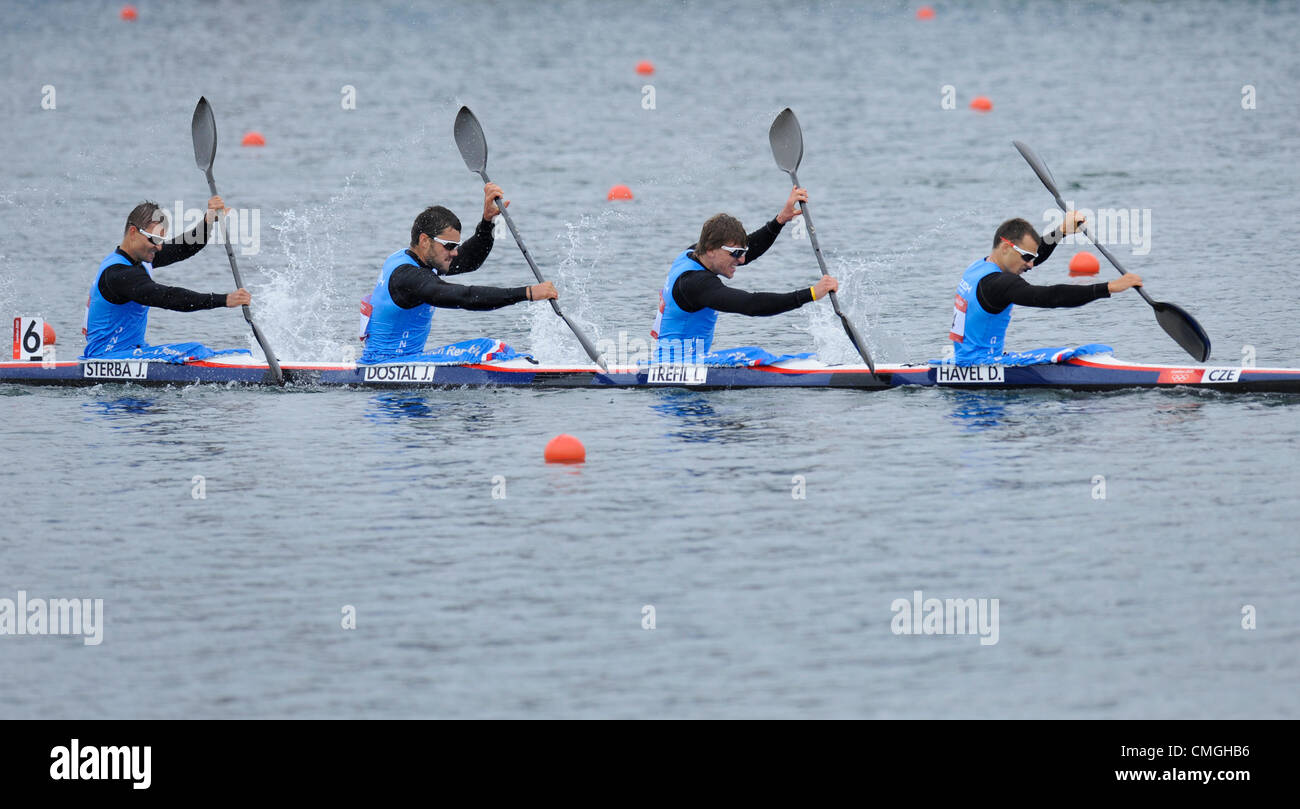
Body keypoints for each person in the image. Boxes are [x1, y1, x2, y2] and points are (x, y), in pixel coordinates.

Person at [359, 183, 557, 363]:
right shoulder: (408, 276)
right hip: (386, 365)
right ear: (425, 240)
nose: (454, 252)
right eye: (449, 246)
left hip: (403, 363)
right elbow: (465, 297)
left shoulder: (413, 258)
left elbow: (469, 260)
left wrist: (487, 222)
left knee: (495, 351)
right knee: (492, 349)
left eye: (456, 246)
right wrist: (527, 293)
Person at [651, 187, 837, 362]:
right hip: (680, 368)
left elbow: (749, 248)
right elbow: (751, 305)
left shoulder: (690, 255)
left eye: (741, 253)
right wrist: (811, 293)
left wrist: (780, 220)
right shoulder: (695, 284)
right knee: (755, 354)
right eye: (735, 254)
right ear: (710, 250)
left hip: (683, 363)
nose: (741, 260)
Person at [948, 213, 1144, 365]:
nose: (1032, 265)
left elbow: (1034, 253)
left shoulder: (978, 267)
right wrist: (1109, 287)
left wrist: (1062, 231)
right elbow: (1050, 297)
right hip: (983, 368)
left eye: (1031, 258)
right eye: (1027, 258)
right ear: (1006, 248)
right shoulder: (998, 284)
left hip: (965, 362)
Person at [82, 197, 250, 359]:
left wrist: (207, 221)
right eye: (155, 239)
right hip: (107, 357)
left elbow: (185, 246)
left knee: (235, 352)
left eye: (161, 239)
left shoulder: (139, 258)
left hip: (132, 352)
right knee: (195, 350)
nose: (159, 246)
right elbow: (168, 297)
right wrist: (224, 300)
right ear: (133, 232)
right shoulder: (119, 274)